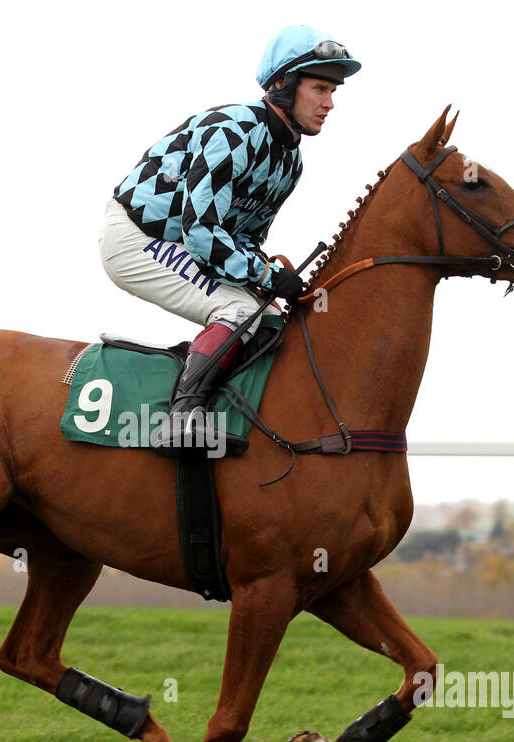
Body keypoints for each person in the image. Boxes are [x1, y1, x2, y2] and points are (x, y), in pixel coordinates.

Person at [99, 25, 360, 453]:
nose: (329, 103)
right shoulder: (232, 131)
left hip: (184, 244)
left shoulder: (290, 161)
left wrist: (273, 278)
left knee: (270, 319)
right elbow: (200, 230)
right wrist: (266, 275)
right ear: (282, 83)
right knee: (240, 311)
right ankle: (181, 418)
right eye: (319, 88)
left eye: (333, 91)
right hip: (135, 238)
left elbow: (244, 237)